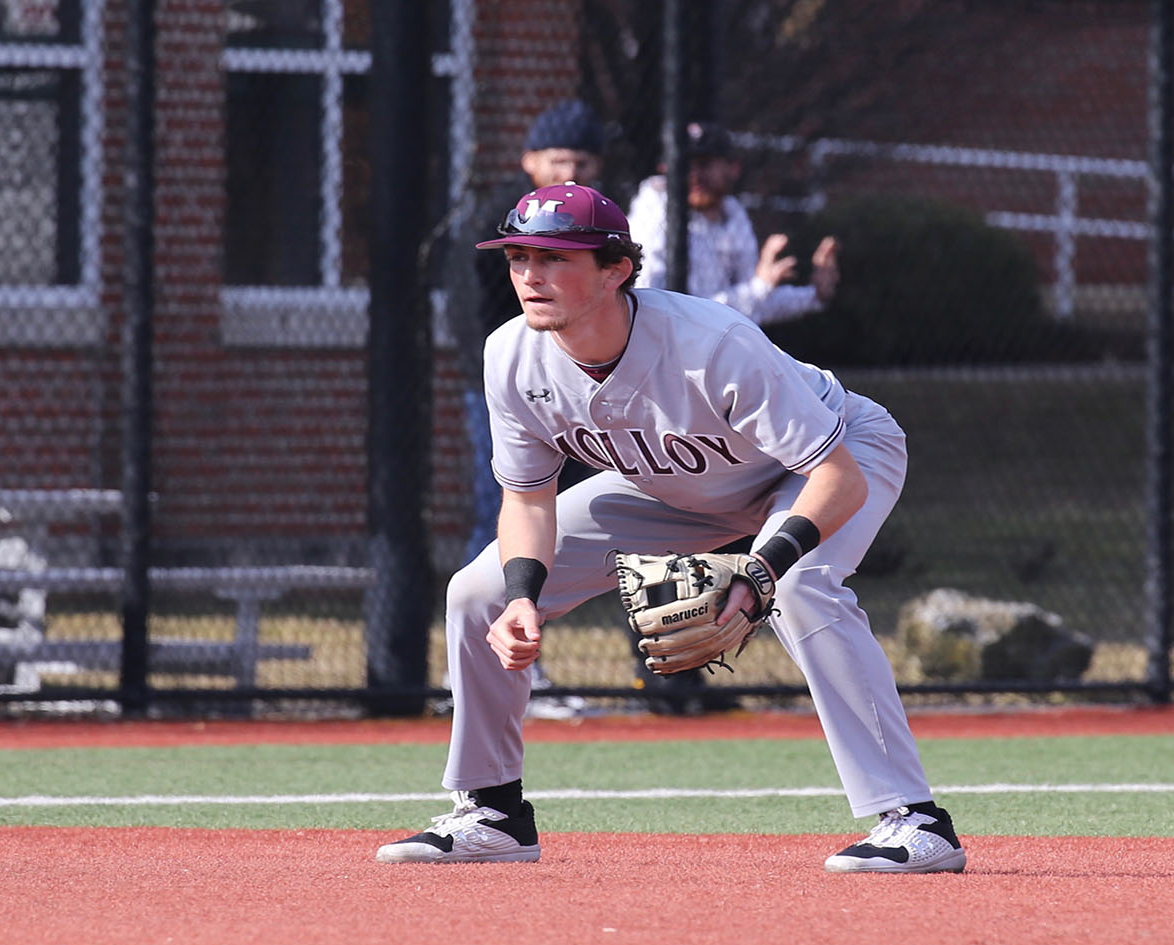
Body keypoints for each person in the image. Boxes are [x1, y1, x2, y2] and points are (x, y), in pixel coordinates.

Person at [376, 183, 966, 874]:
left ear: (616, 269)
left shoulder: (710, 343)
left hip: (831, 458)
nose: (530, 276)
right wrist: (521, 596)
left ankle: (917, 823)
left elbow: (839, 479)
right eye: (517, 257)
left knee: (804, 587)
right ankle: (494, 812)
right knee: (477, 592)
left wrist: (761, 568)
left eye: (555, 257)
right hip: (668, 489)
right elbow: (527, 498)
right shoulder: (512, 356)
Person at [442, 99, 607, 721]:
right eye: (558, 157)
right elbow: (469, 313)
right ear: (529, 160)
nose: (570, 169)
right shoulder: (497, 219)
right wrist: (491, 382)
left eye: (582, 160)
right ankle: (486, 668)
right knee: (502, 518)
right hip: (507, 394)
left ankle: (526, 664)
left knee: (566, 523)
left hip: (577, 395)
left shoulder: (598, 227)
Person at [626, 122, 840, 324]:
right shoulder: (652, 215)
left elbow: (752, 306)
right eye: (684, 165)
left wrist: (814, 295)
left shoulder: (733, 214)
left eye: (704, 164)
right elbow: (658, 313)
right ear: (666, 169)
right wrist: (759, 288)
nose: (694, 176)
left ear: (733, 168)